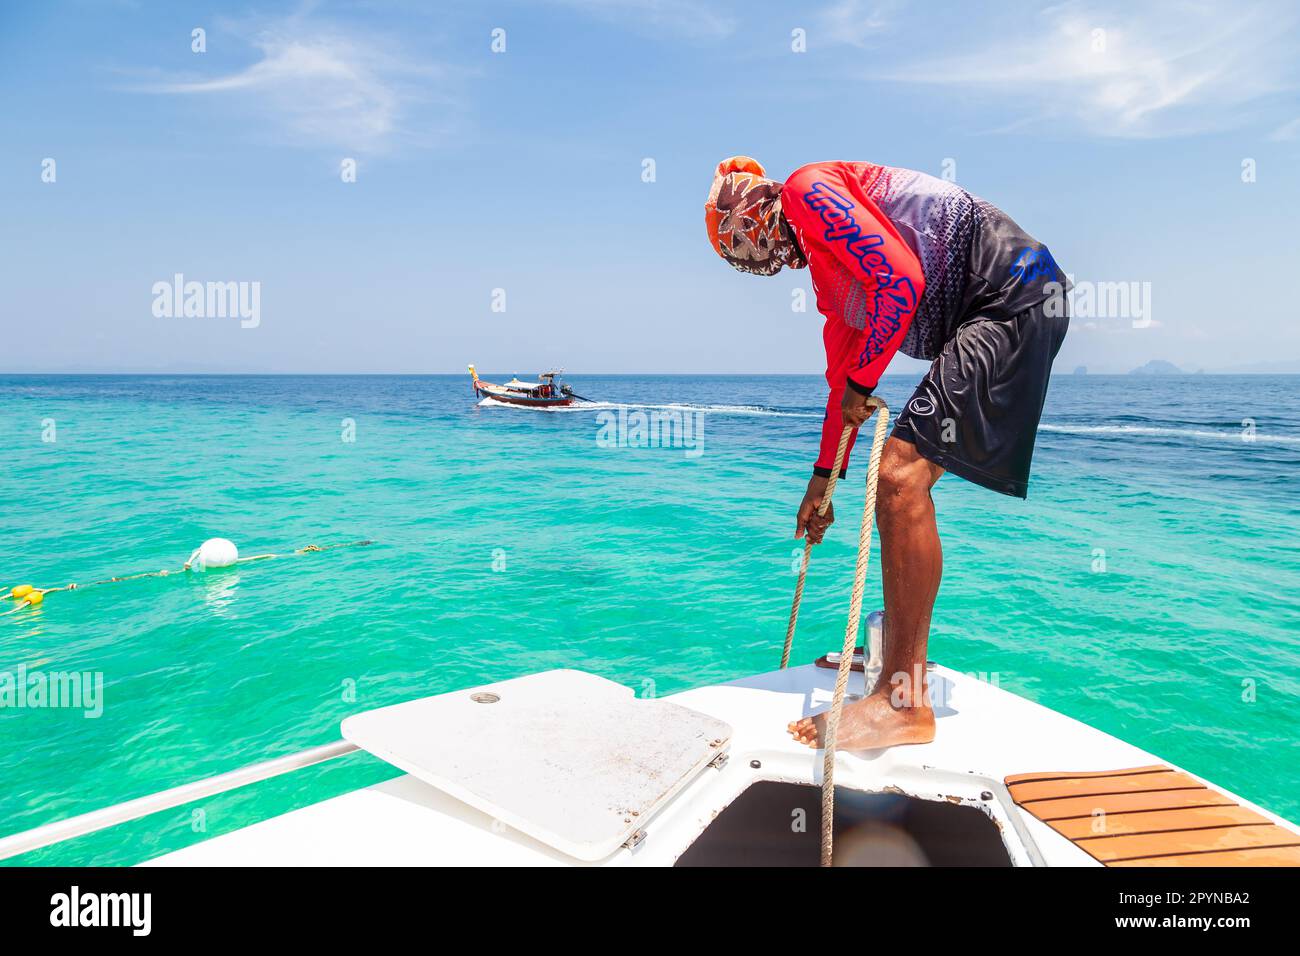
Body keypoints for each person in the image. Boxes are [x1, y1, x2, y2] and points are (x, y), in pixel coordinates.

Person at [704, 156, 1069, 749]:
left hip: (1014, 293)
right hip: (999, 306)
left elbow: (900, 283)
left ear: (750, 212)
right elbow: (842, 387)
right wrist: (822, 483)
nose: (750, 257)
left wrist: (859, 385)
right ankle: (898, 677)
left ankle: (903, 702)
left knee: (900, 477)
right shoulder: (833, 285)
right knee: (897, 477)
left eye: (739, 243)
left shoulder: (806, 189)